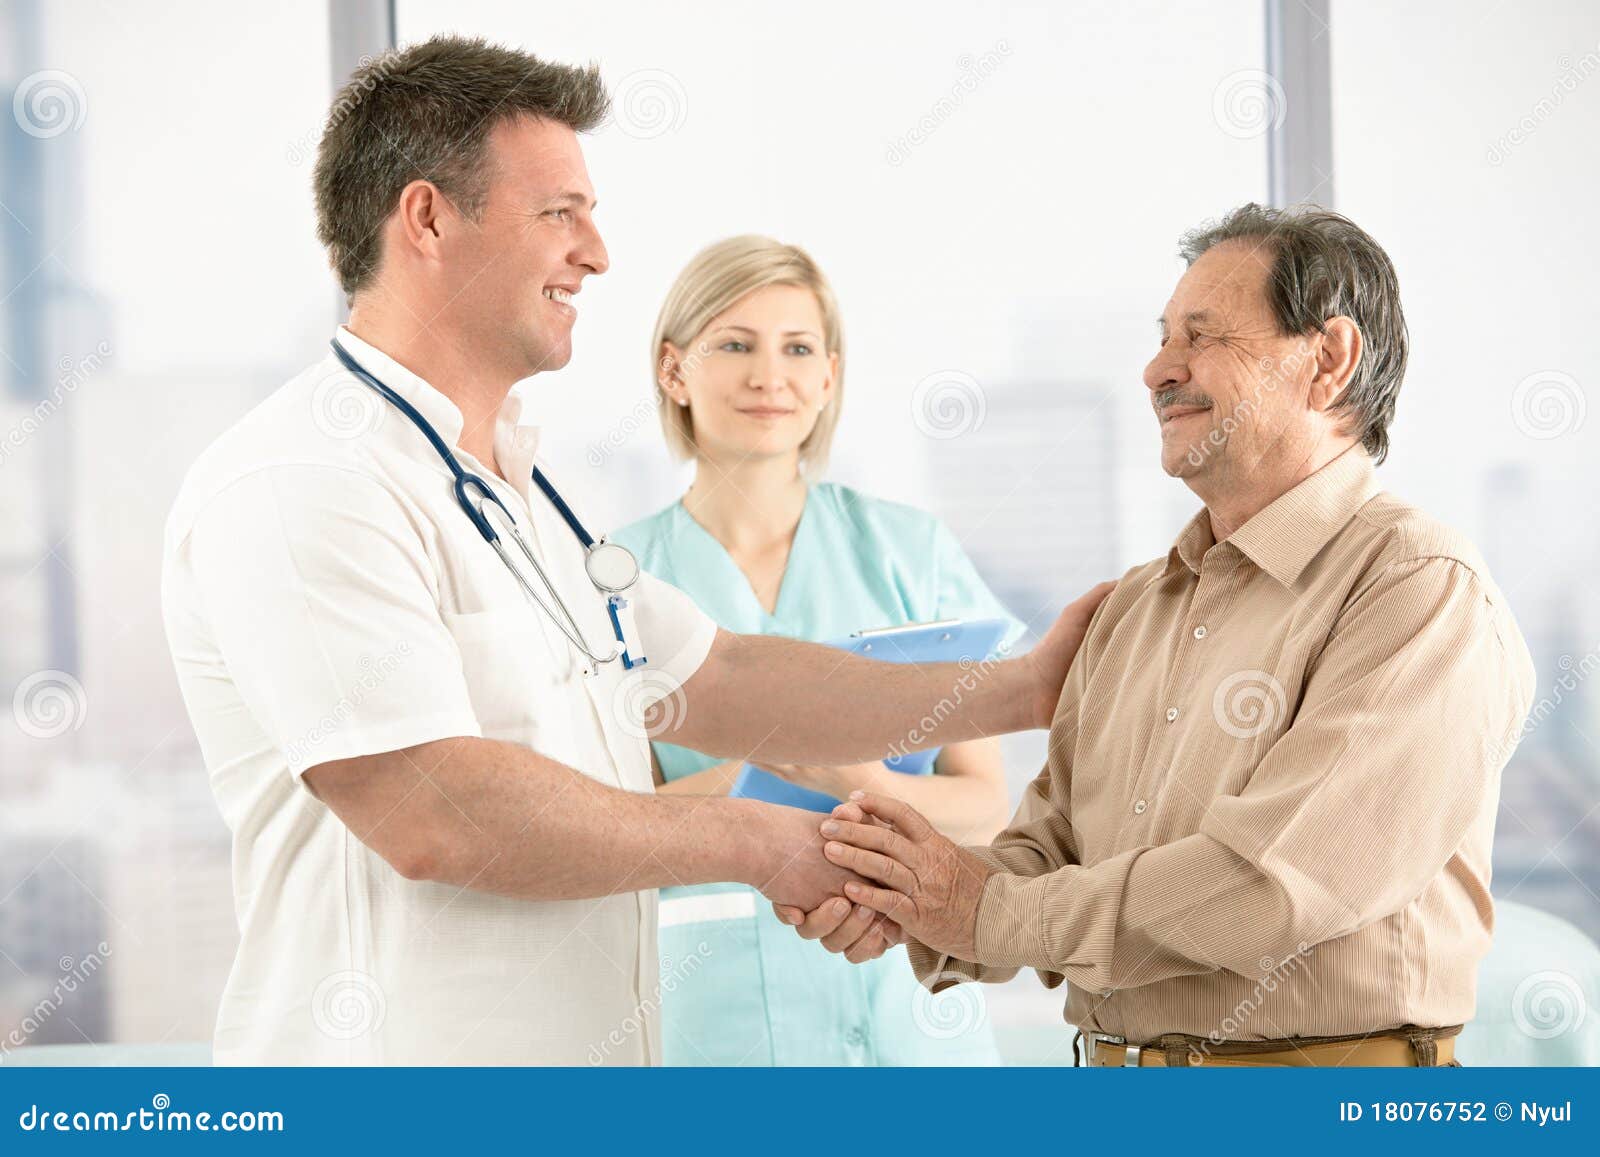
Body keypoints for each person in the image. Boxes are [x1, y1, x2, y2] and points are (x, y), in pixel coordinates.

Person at [159, 36, 1108, 1065]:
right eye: (558, 213)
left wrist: (1025, 689)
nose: (597, 253)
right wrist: (757, 841)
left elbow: (727, 674)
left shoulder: (525, 498)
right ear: (427, 217)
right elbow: (434, 810)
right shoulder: (308, 478)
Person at [785, 204, 1536, 1068]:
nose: (1155, 369)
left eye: (1202, 336)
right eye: (1162, 336)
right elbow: (1052, 849)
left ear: (1327, 359)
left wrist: (978, 909)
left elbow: (1266, 889)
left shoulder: (1415, 588)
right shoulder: (1136, 604)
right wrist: (903, 887)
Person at [611, 235, 1024, 1065]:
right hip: (714, 1025)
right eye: (734, 344)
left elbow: (985, 801)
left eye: (797, 348)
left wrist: (863, 787)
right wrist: (764, 775)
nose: (771, 376)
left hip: (910, 1017)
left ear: (828, 376)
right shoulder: (614, 582)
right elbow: (613, 827)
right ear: (672, 369)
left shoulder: (912, 551)